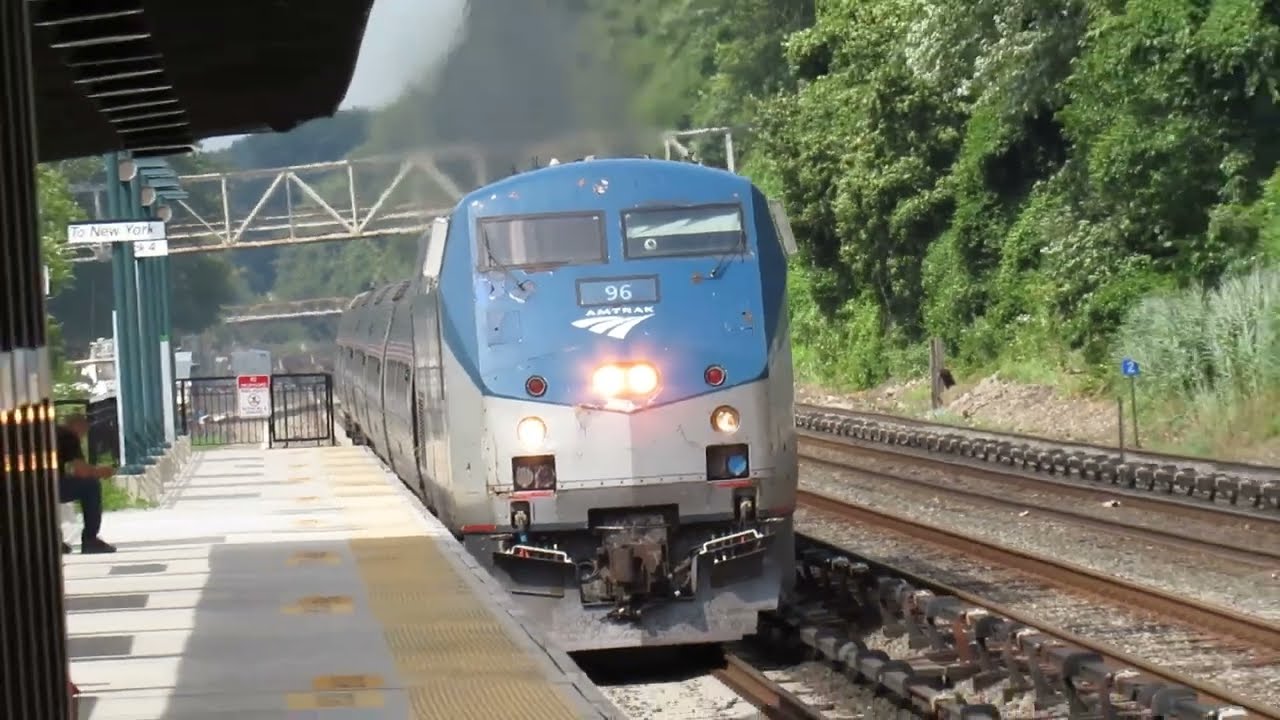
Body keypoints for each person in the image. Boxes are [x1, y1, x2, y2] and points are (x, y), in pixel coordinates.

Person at [56, 413, 117, 554]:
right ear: (78, 426)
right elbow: (82, 471)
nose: (83, 437)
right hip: (49, 486)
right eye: (84, 431)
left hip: (25, 484)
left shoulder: (52, 432)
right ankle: (90, 539)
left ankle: (51, 541)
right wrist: (102, 471)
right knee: (90, 486)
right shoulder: (68, 436)